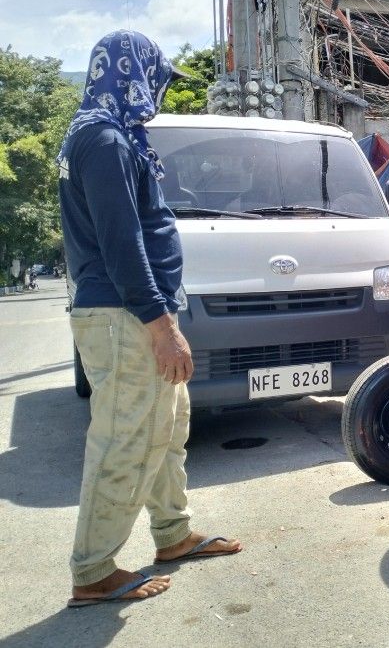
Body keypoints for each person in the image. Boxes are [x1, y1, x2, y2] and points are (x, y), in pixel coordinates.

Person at [57, 31, 241, 607]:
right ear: (130, 74)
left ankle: (172, 534)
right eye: (154, 78)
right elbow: (121, 238)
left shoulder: (111, 135)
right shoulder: (104, 139)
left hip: (128, 307)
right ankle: (93, 571)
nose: (157, 92)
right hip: (123, 313)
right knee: (126, 440)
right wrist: (162, 325)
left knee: (167, 428)